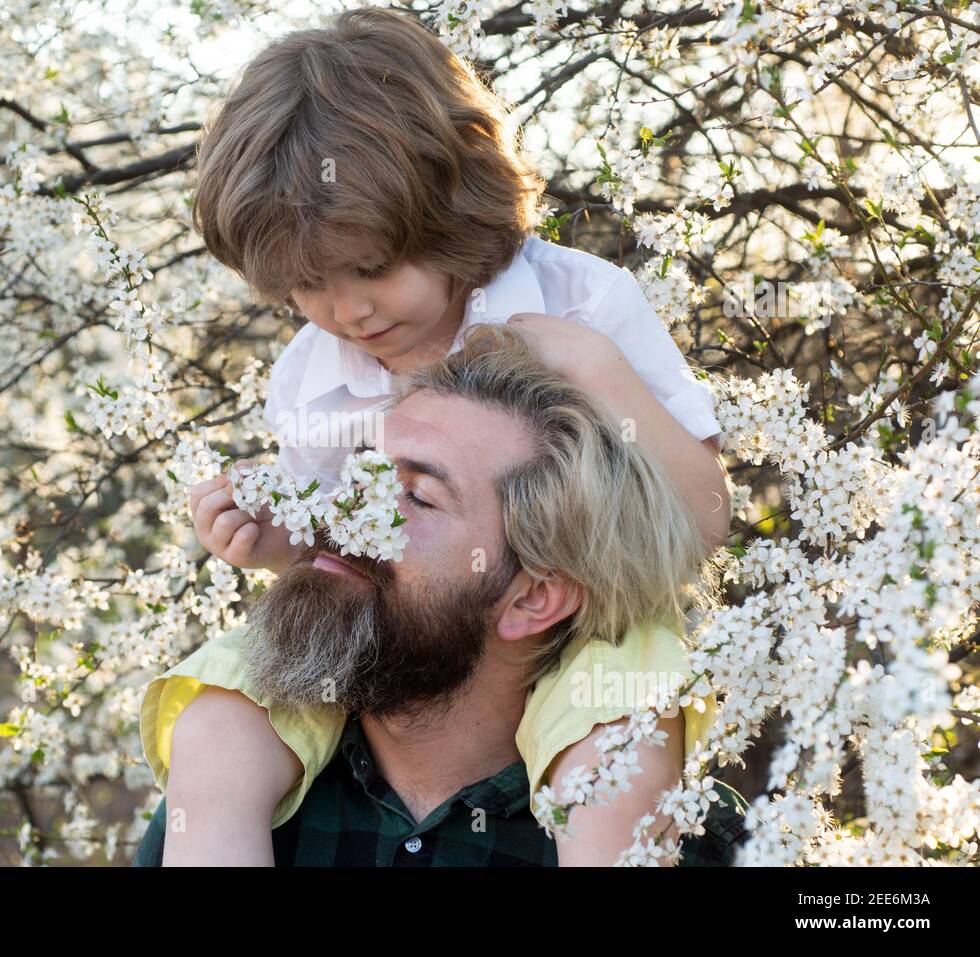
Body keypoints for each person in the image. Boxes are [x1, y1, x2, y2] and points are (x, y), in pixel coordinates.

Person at [157, 7, 732, 865]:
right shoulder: (313, 373)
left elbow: (703, 519)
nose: (347, 311)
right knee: (218, 720)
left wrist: (600, 372)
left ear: (450, 204)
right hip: (385, 641)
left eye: (371, 269)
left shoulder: (583, 305)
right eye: (307, 286)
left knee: (618, 747)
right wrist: (281, 539)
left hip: (594, 625)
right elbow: (340, 555)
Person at [134, 325, 746, 867]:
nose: (346, 508)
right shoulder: (235, 789)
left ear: (533, 599)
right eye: (366, 468)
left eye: (419, 497)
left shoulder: (665, 831)